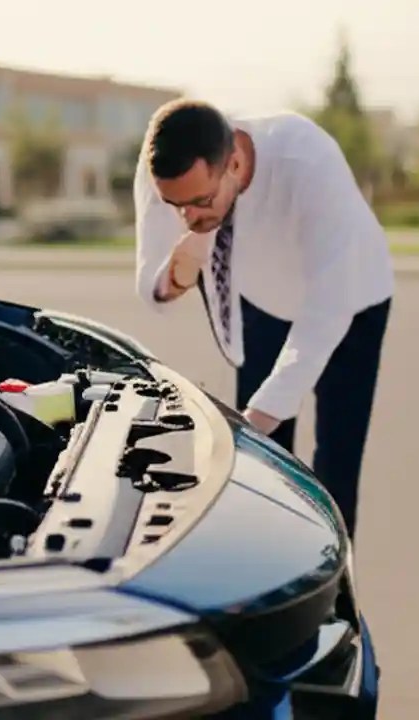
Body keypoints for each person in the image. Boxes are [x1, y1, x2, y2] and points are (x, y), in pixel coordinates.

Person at [133, 98, 395, 539]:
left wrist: (258, 418)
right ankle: (267, 562)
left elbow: (327, 306)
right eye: (176, 205)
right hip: (263, 302)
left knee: (335, 462)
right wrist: (188, 257)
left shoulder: (307, 160)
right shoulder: (165, 161)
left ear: (234, 164)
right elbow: (153, 288)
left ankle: (332, 572)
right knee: (261, 473)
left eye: (199, 201)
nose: (187, 216)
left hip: (353, 299)